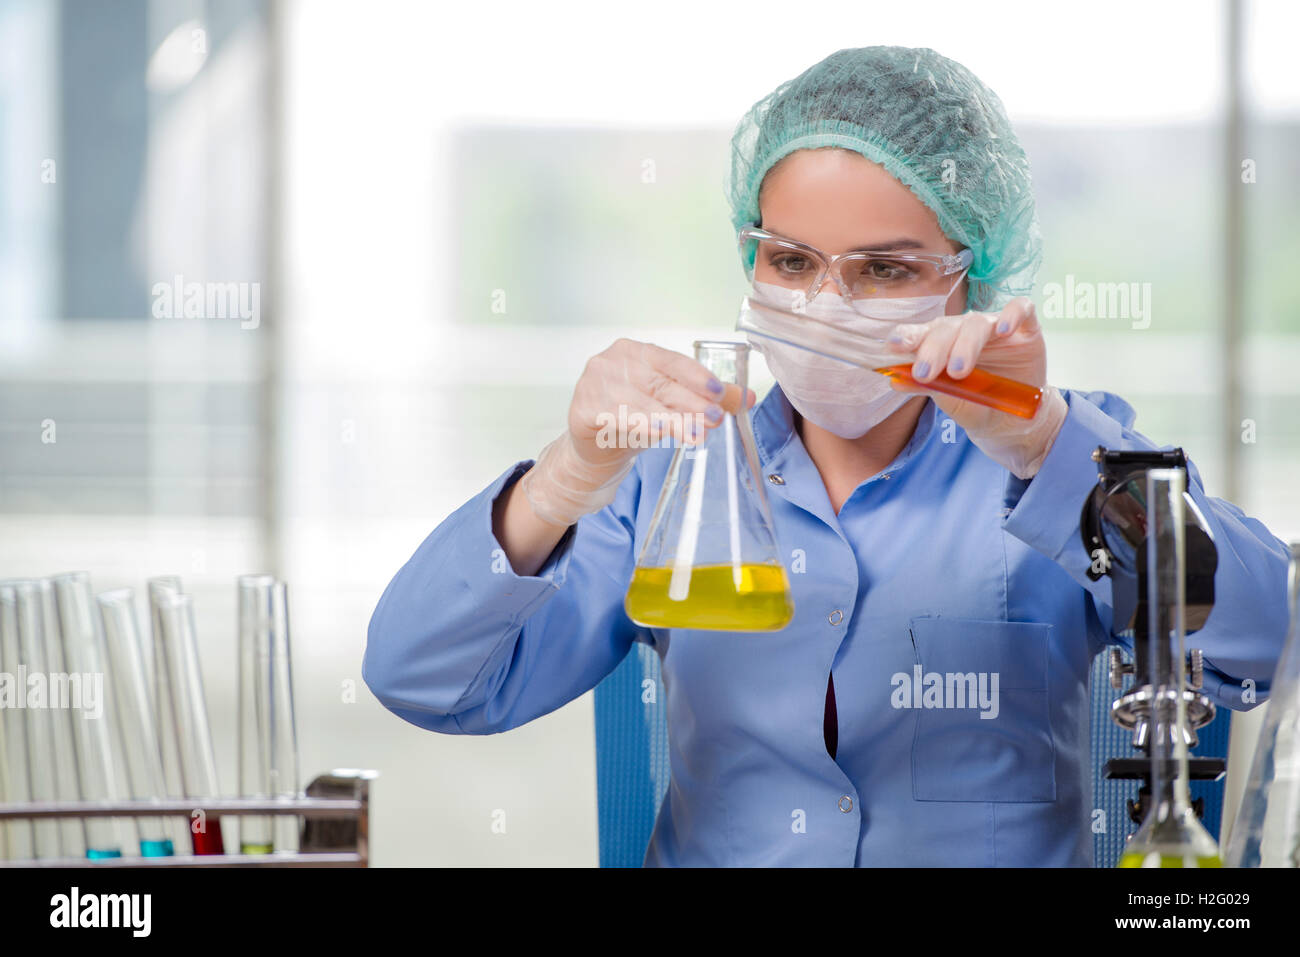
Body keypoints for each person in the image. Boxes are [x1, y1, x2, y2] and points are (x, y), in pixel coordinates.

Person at [362, 46, 1291, 866]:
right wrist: (561, 479)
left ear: (973, 271)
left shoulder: (1069, 465)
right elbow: (427, 680)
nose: (825, 305)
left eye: (884, 269)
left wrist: (1045, 443)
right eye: (791, 262)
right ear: (750, 258)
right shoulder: (679, 481)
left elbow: (1270, 643)